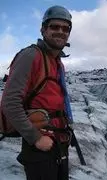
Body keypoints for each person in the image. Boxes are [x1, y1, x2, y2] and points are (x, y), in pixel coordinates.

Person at [1, 5, 73, 180]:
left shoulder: (57, 62)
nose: (60, 32)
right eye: (54, 27)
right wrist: (35, 138)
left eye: (65, 28)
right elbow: (10, 102)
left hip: (59, 141)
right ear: (43, 29)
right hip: (40, 144)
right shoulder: (31, 56)